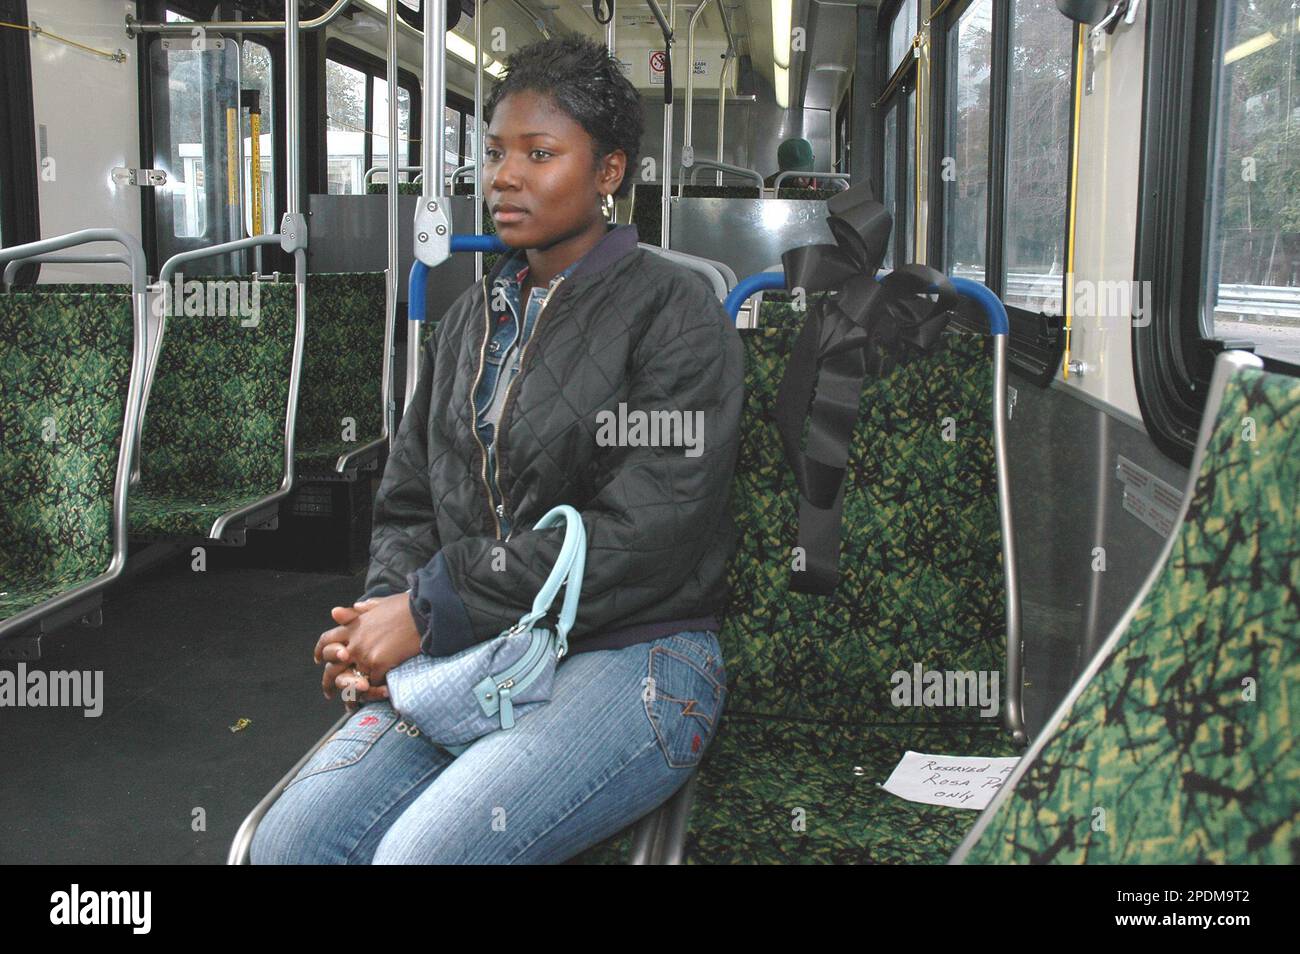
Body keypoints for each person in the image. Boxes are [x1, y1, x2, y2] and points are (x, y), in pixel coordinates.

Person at [250, 34, 744, 865]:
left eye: (539, 154)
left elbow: (645, 533)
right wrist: (384, 622)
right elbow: (409, 499)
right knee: (289, 842)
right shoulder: (469, 320)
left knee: (419, 857)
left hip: (636, 651)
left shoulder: (676, 313)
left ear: (610, 172)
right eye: (493, 153)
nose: (503, 177)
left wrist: (431, 611)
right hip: (477, 643)